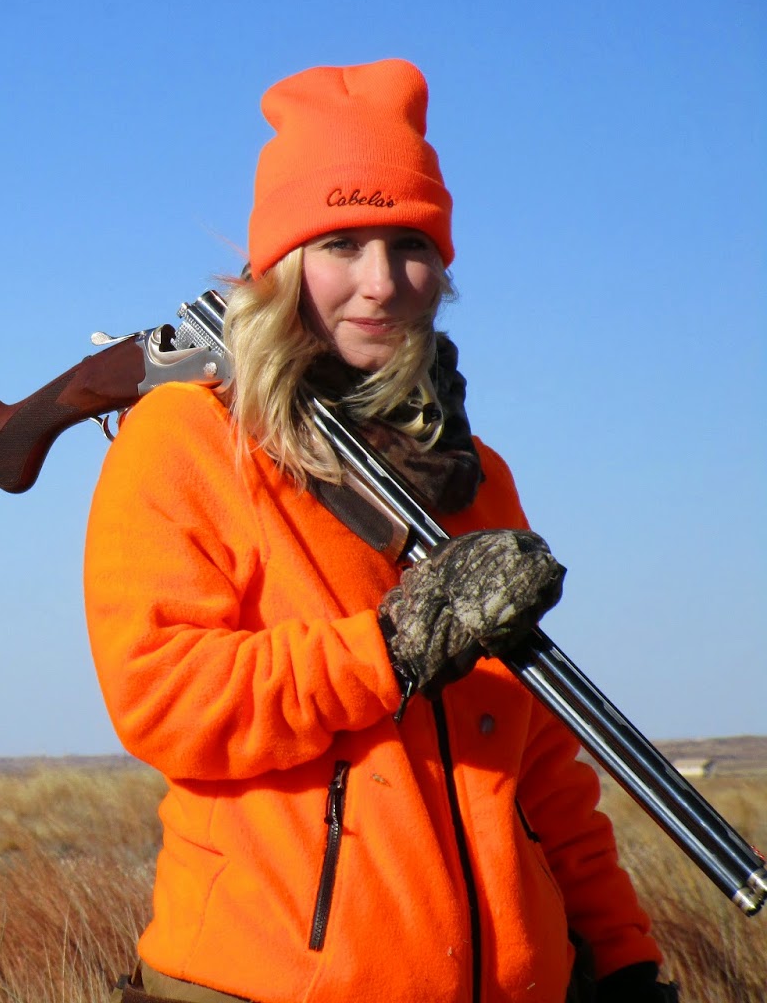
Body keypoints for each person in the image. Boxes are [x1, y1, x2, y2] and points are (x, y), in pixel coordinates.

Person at [84, 60, 672, 1003]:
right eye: (340, 242)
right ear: (279, 265)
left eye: (410, 244)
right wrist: (390, 650)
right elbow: (166, 697)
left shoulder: (476, 478)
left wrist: (622, 953)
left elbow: (540, 761)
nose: (381, 283)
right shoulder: (189, 437)